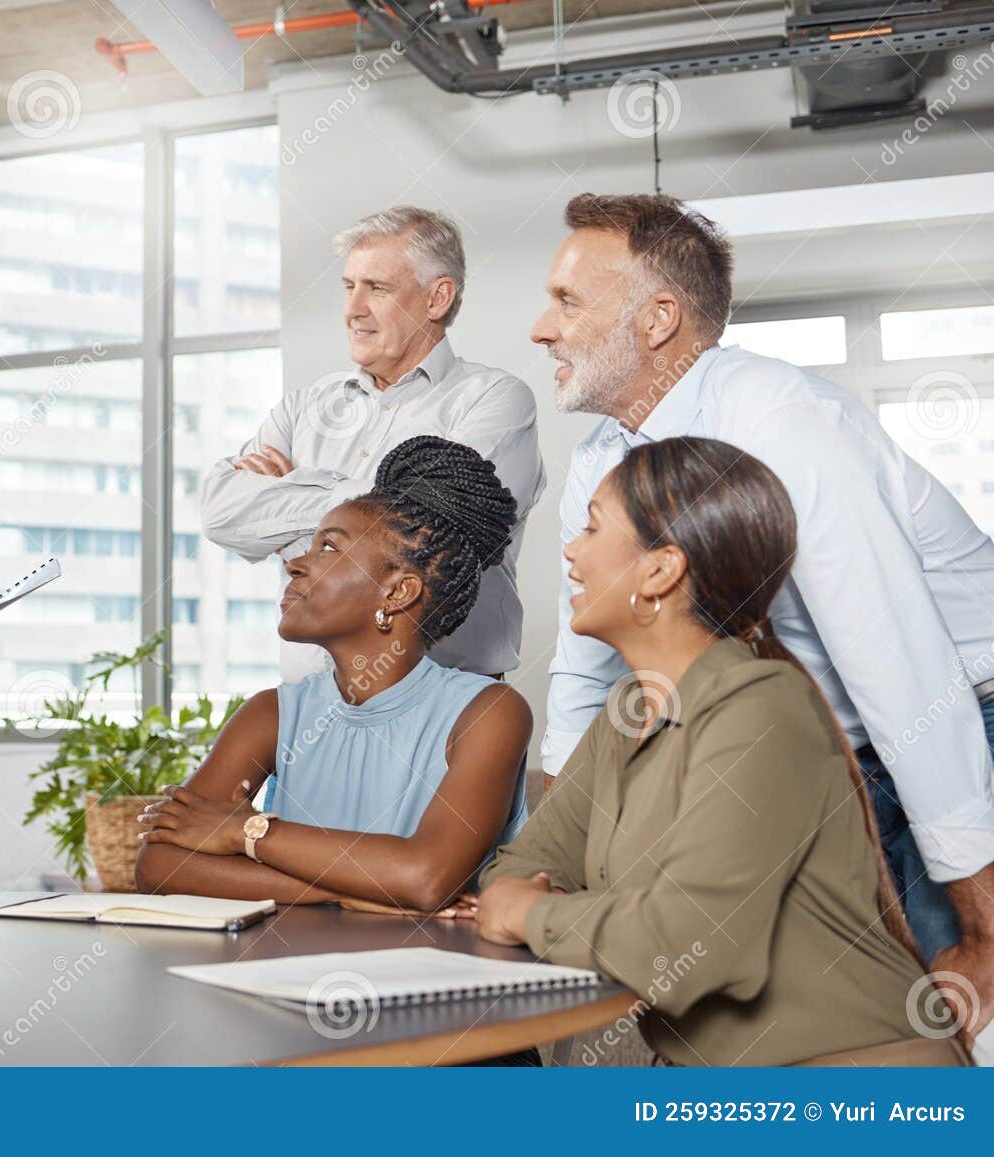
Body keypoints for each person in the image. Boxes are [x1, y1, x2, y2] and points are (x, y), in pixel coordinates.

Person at [532, 192, 994, 1035]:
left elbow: (899, 667)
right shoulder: (603, 457)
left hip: (961, 715)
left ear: (658, 319)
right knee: (834, 1011)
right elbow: (579, 672)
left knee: (954, 1012)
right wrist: (547, 863)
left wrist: (983, 926)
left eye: (567, 301)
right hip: (826, 740)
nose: (541, 328)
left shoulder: (781, 422)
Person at [475, 436, 966, 1066]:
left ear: (660, 570)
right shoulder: (627, 713)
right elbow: (520, 867)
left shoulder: (764, 708)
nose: (571, 551)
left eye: (592, 529)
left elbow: (685, 945)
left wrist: (535, 915)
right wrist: (545, 905)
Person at [136, 435, 530, 915]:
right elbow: (158, 866)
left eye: (328, 548)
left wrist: (245, 832)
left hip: (430, 979)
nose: (296, 564)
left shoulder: (488, 713)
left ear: (398, 592)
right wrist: (350, 890)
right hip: (282, 976)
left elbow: (426, 877)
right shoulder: (272, 714)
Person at [201, 205, 544, 682]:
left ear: (437, 298)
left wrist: (291, 498)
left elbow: (433, 529)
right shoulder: (305, 406)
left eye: (376, 288)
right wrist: (378, 505)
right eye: (349, 286)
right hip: (310, 703)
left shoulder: (495, 400)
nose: (352, 308)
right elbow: (220, 513)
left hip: (450, 706)